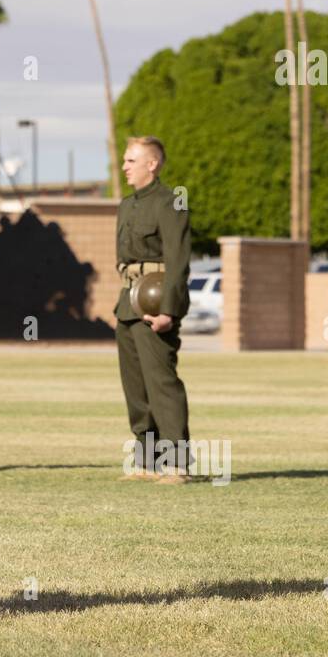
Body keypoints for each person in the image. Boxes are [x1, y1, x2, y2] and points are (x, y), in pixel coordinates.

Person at [113, 136, 192, 483]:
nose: (125, 166)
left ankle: (177, 463)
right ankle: (147, 462)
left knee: (161, 383)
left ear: (152, 164)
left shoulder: (171, 202)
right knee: (136, 388)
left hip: (156, 304)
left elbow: (178, 261)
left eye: (132, 160)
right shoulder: (126, 205)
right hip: (127, 304)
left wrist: (169, 311)